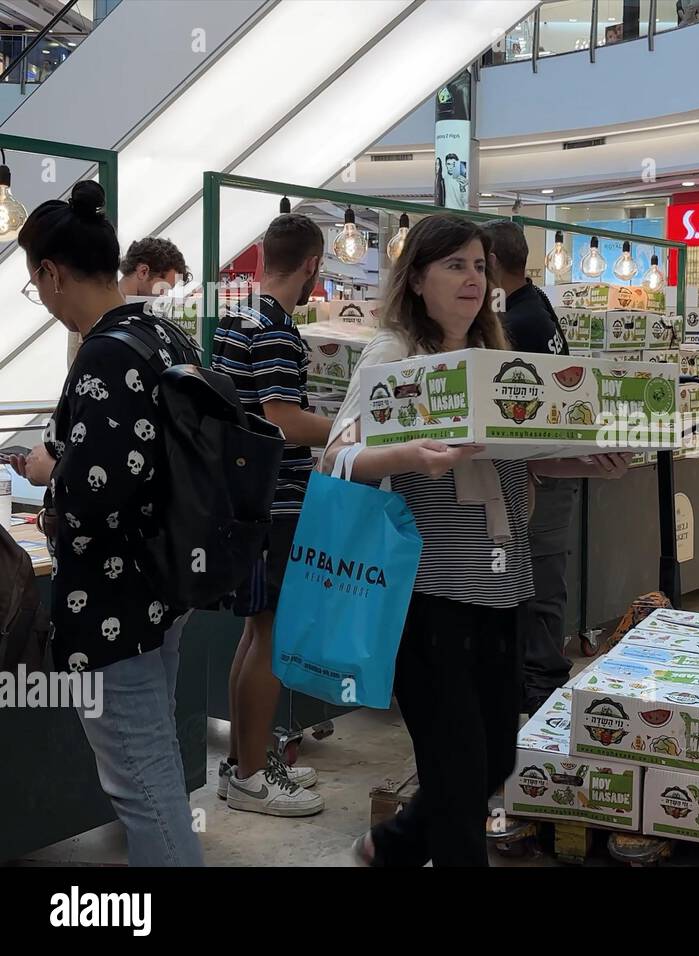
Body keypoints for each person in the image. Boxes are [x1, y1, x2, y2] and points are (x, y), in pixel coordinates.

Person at [322, 215, 631, 867]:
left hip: (502, 585)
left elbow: (512, 456)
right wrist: (411, 453)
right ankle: (406, 847)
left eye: (479, 266)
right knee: (459, 776)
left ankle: (393, 846)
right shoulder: (395, 358)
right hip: (427, 593)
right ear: (418, 279)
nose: (471, 279)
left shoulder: (496, 361)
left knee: (493, 756)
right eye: (454, 265)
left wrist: (584, 458)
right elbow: (338, 460)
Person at [12, 181, 203, 865]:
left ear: (52, 273)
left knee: (142, 783)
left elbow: (101, 493)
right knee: (157, 768)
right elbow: (142, 453)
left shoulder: (104, 352)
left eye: (38, 286)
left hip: (114, 600)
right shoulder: (158, 332)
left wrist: (50, 475)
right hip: (165, 584)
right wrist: (66, 458)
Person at [211, 214, 334, 817]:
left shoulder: (237, 321)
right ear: (312, 264)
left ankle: (244, 762)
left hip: (242, 501)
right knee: (273, 633)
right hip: (274, 502)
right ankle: (253, 775)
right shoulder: (280, 334)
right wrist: (347, 427)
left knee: (256, 630)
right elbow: (282, 420)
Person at [481, 220, 574, 716]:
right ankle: (535, 686)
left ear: (493, 262)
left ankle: (540, 693)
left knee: (535, 584)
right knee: (539, 581)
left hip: (538, 473)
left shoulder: (518, 321)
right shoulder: (533, 306)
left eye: (476, 262)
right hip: (545, 470)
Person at [118, 237, 188, 298]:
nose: (164, 295)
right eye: (163, 288)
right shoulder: (115, 308)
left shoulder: (111, 300)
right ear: (143, 272)